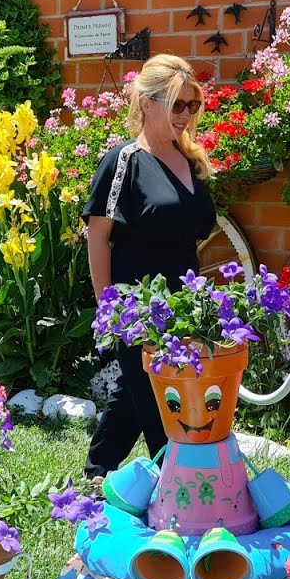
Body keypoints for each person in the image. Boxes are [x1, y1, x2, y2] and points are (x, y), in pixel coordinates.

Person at [82, 53, 217, 480]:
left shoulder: (191, 160)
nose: (186, 115)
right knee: (163, 397)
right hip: (136, 304)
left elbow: (196, 230)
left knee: (136, 389)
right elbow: (99, 236)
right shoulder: (123, 161)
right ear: (146, 102)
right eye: (177, 104)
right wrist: (109, 308)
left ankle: (97, 471)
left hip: (182, 301)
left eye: (193, 106)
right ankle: (182, 484)